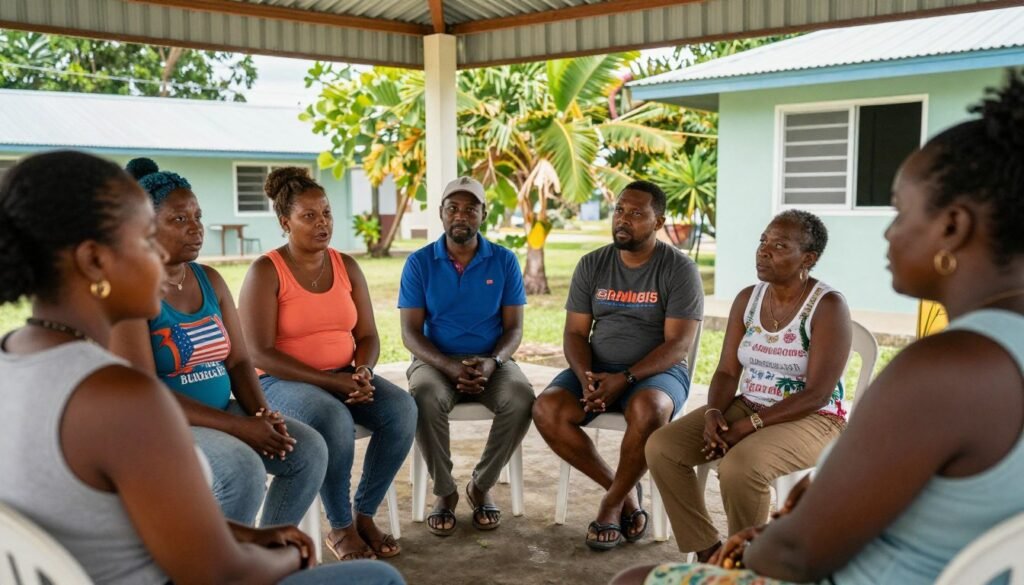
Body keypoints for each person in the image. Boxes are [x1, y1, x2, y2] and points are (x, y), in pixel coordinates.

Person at [613, 69, 1024, 585]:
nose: (890, 233)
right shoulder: (1000, 346)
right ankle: (705, 544)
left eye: (899, 212)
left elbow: (799, 554)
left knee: (632, 579)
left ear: (952, 227)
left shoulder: (943, 368)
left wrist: (741, 554)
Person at [0, 150, 404, 585]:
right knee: (380, 579)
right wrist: (289, 557)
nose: (160, 257)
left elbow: (126, 514)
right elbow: (219, 571)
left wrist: (246, 535)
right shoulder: (119, 394)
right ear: (95, 261)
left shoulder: (16, 358)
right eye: (143, 241)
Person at [109, 157, 327, 527]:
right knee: (241, 471)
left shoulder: (209, 279)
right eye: (179, 219)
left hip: (223, 413)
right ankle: (225, 568)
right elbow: (145, 392)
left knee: (307, 451)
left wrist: (261, 415)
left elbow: (240, 361)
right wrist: (239, 428)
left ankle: (267, 550)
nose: (195, 228)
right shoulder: (129, 293)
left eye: (197, 216)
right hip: (162, 427)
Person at [644, 209, 851, 561]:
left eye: (780, 245)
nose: (764, 251)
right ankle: (713, 553)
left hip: (815, 418)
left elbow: (817, 393)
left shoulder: (827, 306)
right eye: (763, 241)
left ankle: (748, 562)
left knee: (740, 468)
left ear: (809, 259)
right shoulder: (748, 299)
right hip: (750, 402)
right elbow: (727, 371)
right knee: (663, 446)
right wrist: (713, 413)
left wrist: (747, 426)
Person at [238, 167, 417, 561]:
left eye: (327, 214)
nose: (323, 224)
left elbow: (368, 335)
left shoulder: (346, 266)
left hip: (342, 376)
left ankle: (364, 513)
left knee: (403, 409)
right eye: (309, 216)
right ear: (285, 222)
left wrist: (362, 371)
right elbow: (258, 353)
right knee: (333, 417)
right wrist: (331, 384)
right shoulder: (266, 271)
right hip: (278, 382)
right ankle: (340, 527)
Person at [532, 180, 703, 550]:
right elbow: (575, 333)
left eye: (637, 213)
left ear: (659, 222)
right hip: (595, 369)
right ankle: (625, 492)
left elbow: (678, 345)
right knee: (546, 409)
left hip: (657, 373)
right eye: (620, 210)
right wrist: (587, 378)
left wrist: (625, 378)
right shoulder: (593, 264)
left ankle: (611, 504)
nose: (623, 220)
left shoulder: (678, 269)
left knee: (650, 409)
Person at [398, 176, 535, 537]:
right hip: (435, 359)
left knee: (521, 397)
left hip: (492, 358)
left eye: (470, 208)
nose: (461, 215)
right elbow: (410, 332)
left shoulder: (504, 261)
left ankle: (481, 485)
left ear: (483, 214)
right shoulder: (420, 263)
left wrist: (495, 362)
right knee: (423, 397)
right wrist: (446, 365)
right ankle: (445, 492)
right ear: (441, 214)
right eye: (453, 208)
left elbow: (514, 329)